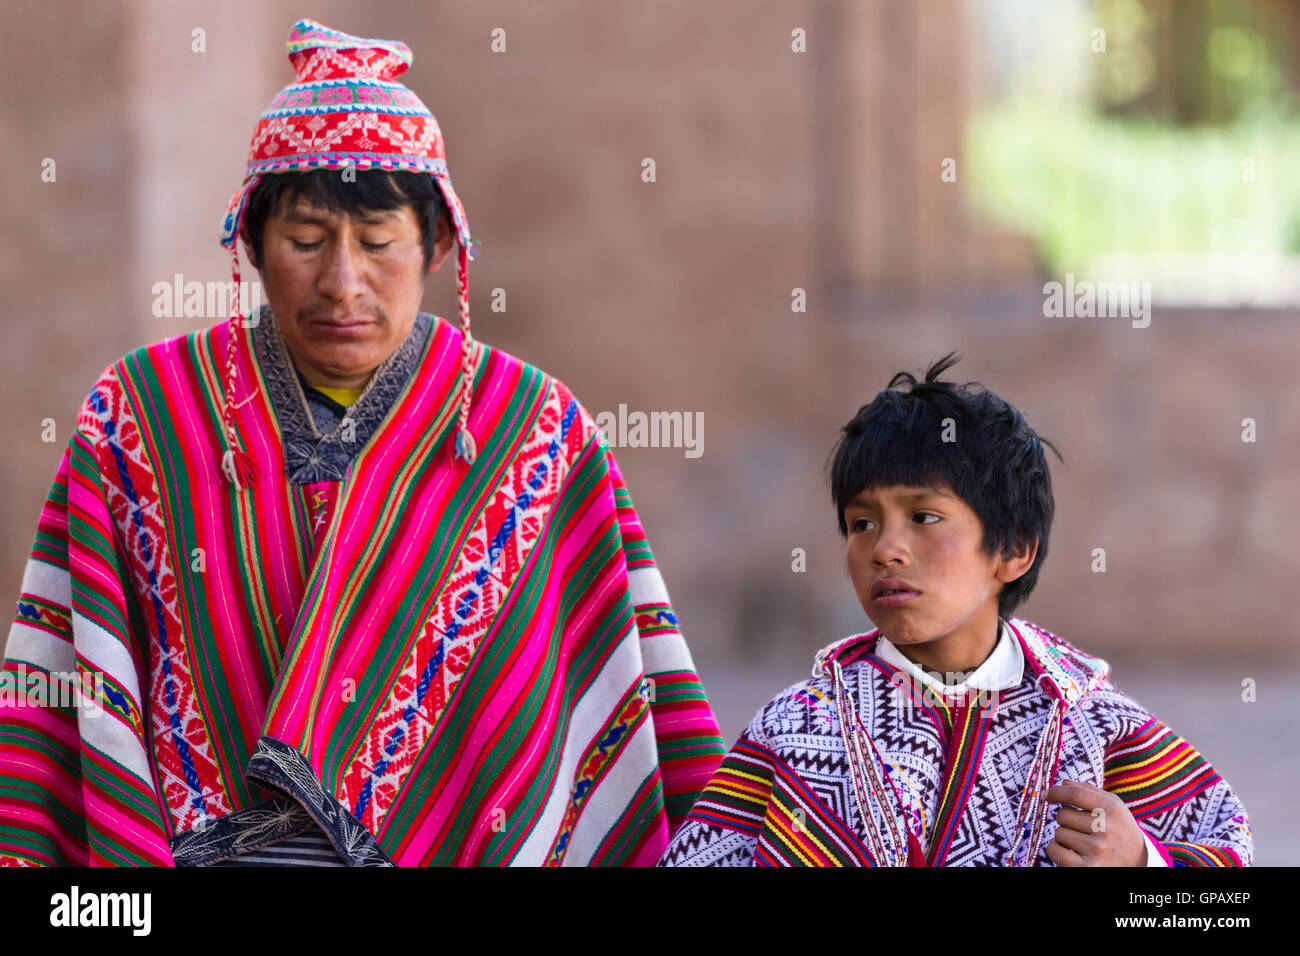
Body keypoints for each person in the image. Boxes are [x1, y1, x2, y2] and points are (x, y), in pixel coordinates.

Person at [0, 19, 724, 867]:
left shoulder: (532, 429)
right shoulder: (143, 416)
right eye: (306, 242)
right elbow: (57, 676)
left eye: (378, 243)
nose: (343, 281)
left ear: (438, 247)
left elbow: (618, 680)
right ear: (253, 247)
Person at [658, 352, 1253, 867]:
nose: (884, 550)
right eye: (861, 524)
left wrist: (1139, 861)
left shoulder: (1097, 728)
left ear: (1014, 550)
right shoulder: (795, 731)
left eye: (924, 517)